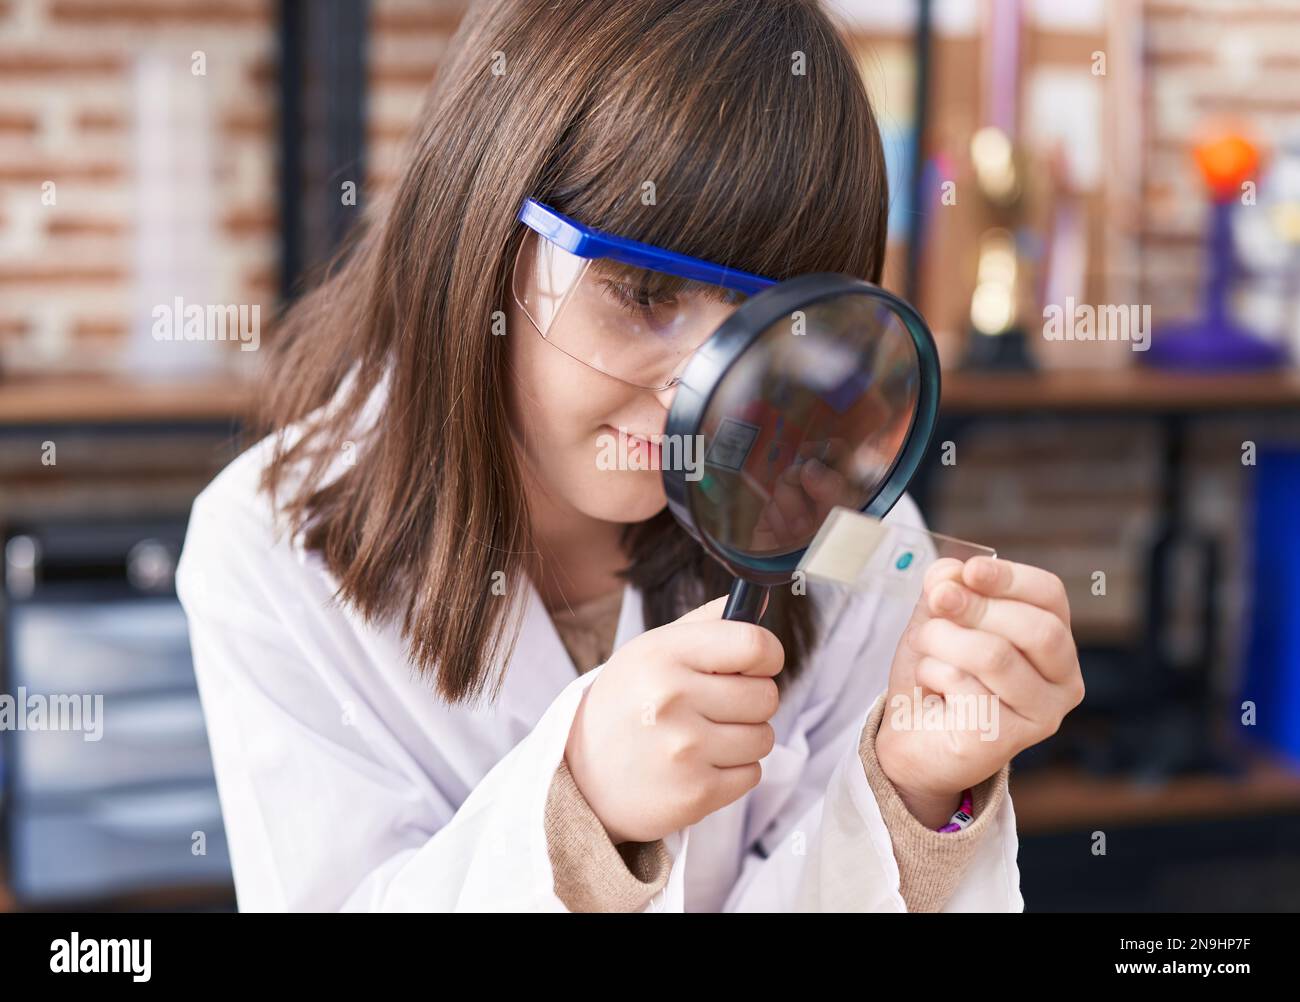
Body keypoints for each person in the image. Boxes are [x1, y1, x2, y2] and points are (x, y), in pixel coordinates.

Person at [176, 0, 1083, 912]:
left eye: (776, 329)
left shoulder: (836, 529)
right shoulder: (263, 548)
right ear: (479, 233)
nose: (704, 398)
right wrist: (582, 809)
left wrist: (911, 789)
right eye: (644, 295)